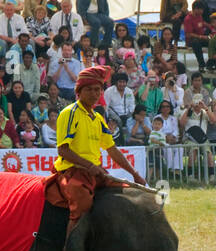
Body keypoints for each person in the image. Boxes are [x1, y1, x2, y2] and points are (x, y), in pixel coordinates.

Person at [44, 66, 148, 240]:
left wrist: (134, 174)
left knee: (126, 195)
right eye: (89, 89)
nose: (94, 94)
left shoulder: (98, 118)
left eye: (97, 90)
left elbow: (112, 149)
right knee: (82, 207)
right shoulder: (69, 113)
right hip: (71, 172)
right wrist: (90, 165)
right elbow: (62, 150)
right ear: (79, 91)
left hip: (95, 172)